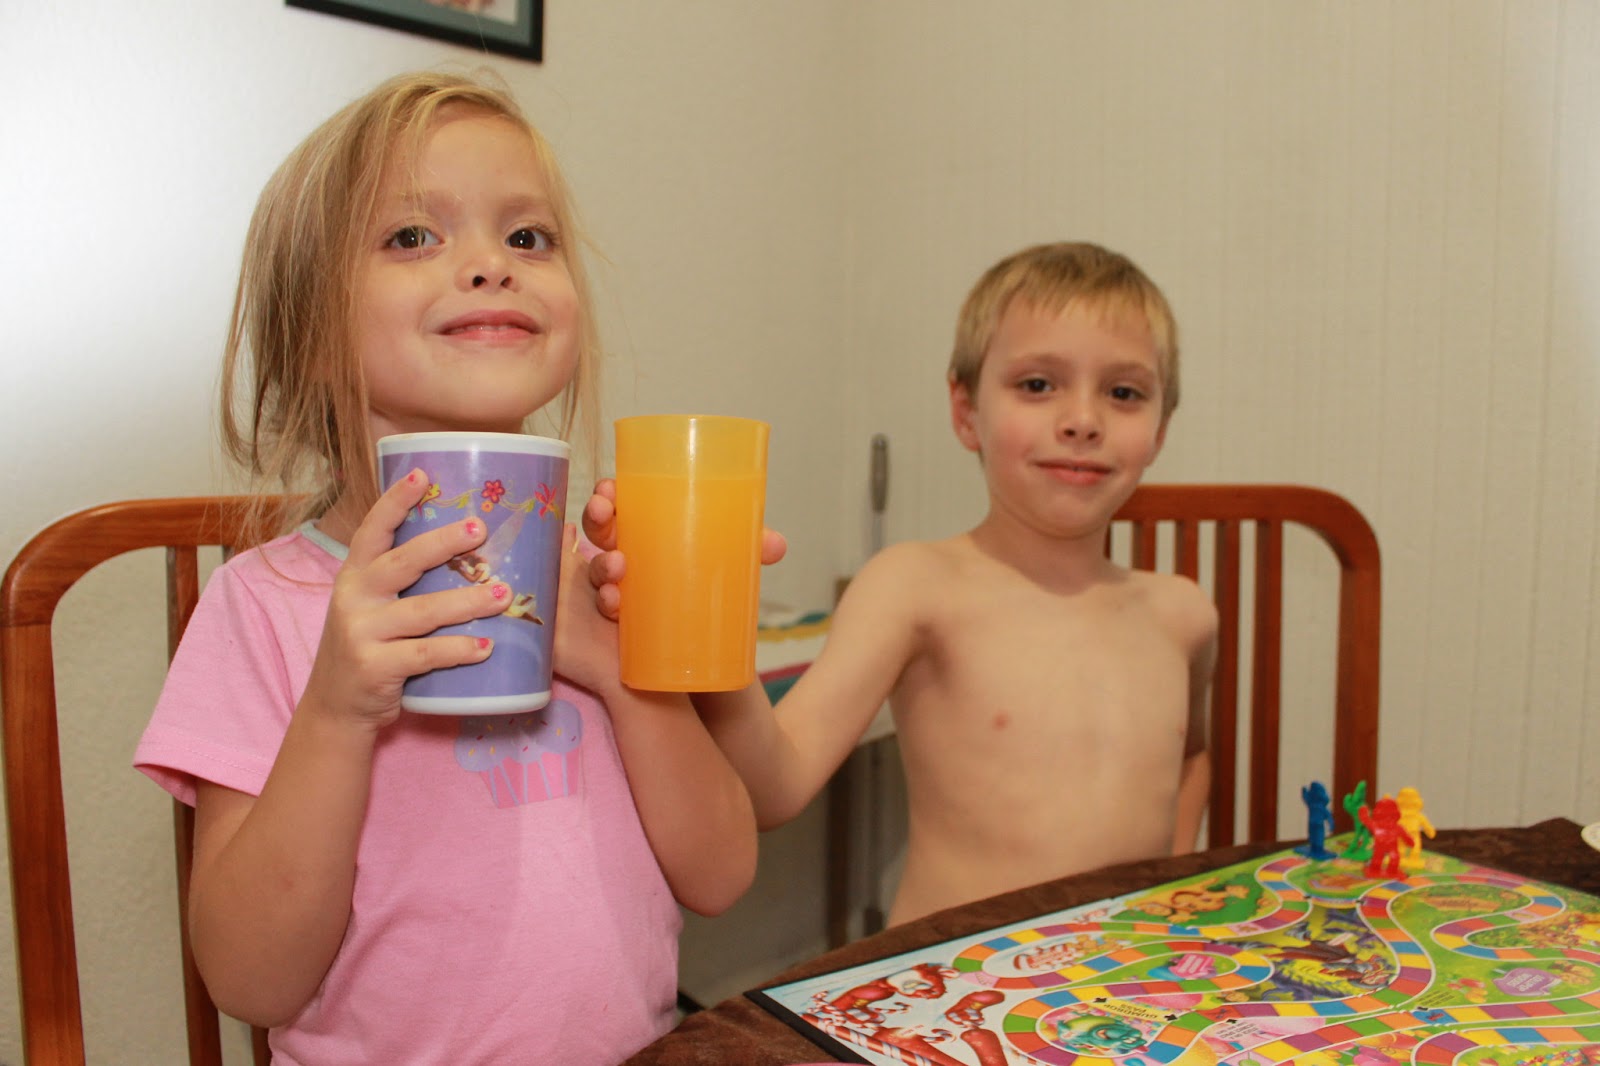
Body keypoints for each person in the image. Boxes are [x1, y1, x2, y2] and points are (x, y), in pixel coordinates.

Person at [133, 71, 757, 1064]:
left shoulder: (606, 568)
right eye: (413, 235)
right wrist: (335, 709)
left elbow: (721, 871)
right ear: (310, 331)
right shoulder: (267, 606)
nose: (490, 266)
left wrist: (618, 667)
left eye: (526, 236)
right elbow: (251, 980)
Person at [586, 241, 1216, 927]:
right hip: (957, 991)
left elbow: (1190, 758)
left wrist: (1170, 887)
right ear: (966, 409)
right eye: (1038, 384)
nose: (1083, 420)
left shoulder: (1183, 614)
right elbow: (779, 785)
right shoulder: (917, 585)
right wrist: (709, 619)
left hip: (1122, 995)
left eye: (1124, 393)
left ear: (1160, 428)